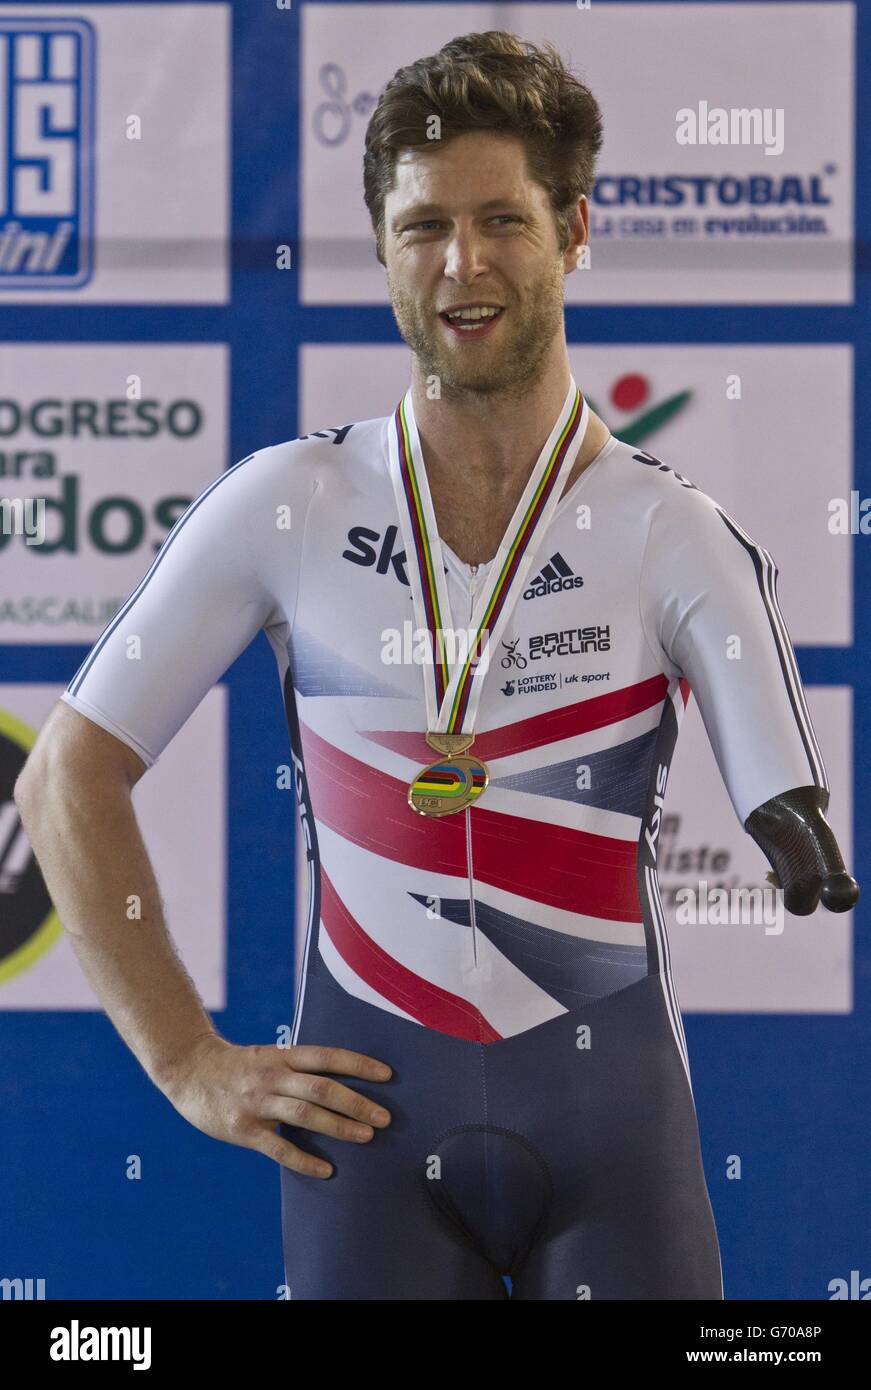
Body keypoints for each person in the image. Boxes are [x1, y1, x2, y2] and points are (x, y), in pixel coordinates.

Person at [15, 31, 857, 1301]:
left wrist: (796, 832)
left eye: (501, 221)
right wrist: (186, 1057)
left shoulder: (663, 525)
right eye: (422, 227)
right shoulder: (285, 504)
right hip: (369, 1134)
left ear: (574, 230)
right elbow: (63, 778)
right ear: (382, 247)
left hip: (611, 1122)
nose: (462, 263)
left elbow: (774, 767)